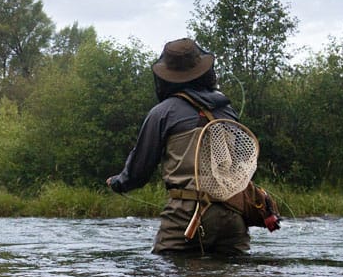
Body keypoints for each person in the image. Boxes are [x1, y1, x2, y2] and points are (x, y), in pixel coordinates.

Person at [107, 38, 250, 255]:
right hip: (233, 215)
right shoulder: (227, 110)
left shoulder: (162, 113)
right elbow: (243, 163)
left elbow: (139, 169)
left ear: (167, 76)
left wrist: (118, 183)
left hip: (186, 216)